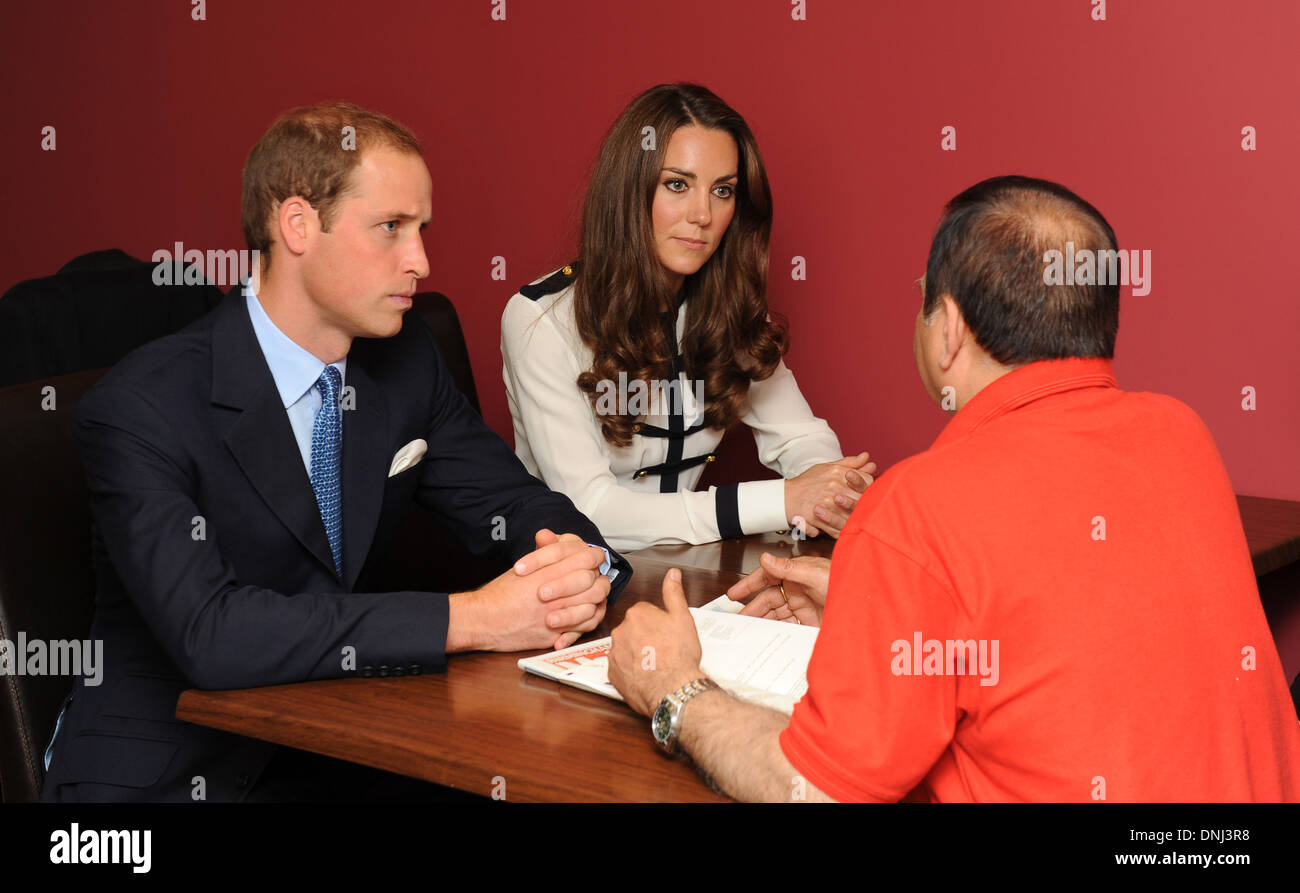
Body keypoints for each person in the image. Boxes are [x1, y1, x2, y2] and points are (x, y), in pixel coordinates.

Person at [607, 175, 1300, 802]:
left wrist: (676, 689)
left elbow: (813, 789)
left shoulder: (918, 505)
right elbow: (1070, 613)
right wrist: (878, 612)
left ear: (950, 333)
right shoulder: (1181, 434)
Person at [40, 102, 631, 803]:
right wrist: (474, 618)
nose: (421, 261)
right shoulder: (141, 405)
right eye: (391, 229)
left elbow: (517, 502)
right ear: (297, 225)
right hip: (159, 776)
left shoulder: (406, 362)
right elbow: (212, 633)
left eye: (421, 230)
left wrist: (581, 565)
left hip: (337, 744)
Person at [500, 83, 873, 552]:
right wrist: (783, 500)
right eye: (677, 184)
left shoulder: (726, 309)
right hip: (572, 586)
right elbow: (589, 510)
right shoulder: (540, 321)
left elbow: (802, 437)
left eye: (723, 191)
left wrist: (828, 491)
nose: (703, 214)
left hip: (688, 571)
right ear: (630, 189)